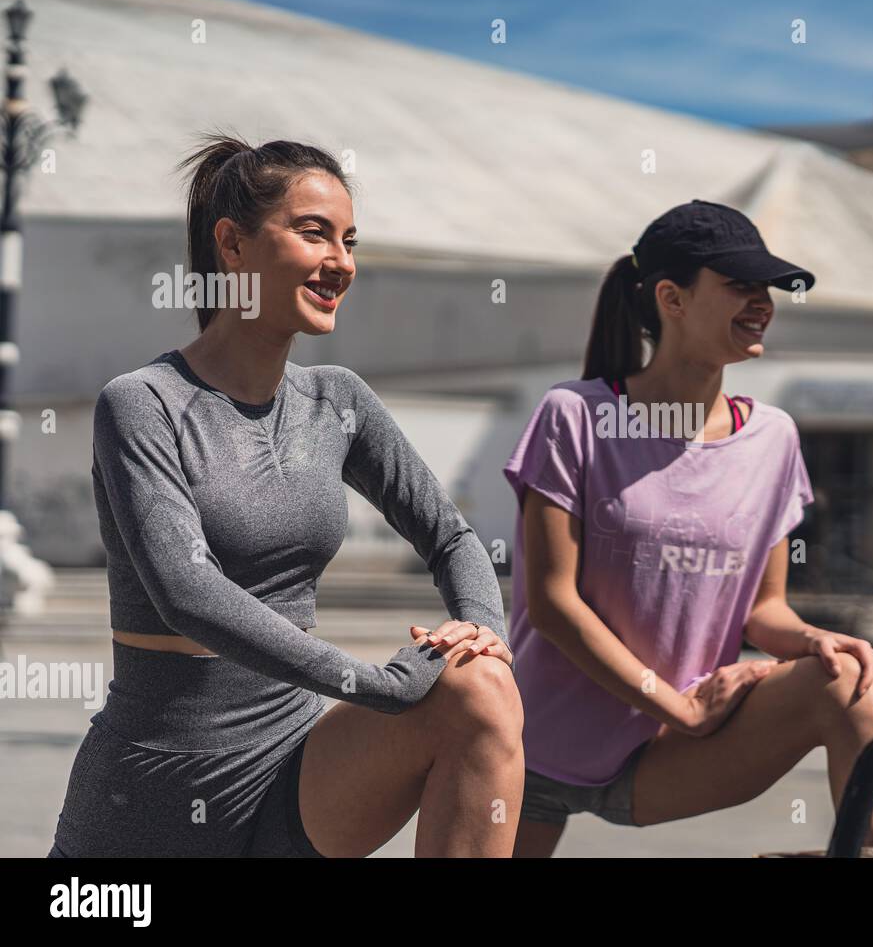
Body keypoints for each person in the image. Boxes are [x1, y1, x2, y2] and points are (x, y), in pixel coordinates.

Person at [48, 134, 522, 858]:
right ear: (232, 245)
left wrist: (482, 630)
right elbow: (187, 590)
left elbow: (451, 536)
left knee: (480, 689)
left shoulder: (339, 400)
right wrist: (366, 681)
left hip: (298, 777)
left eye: (350, 240)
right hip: (154, 795)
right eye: (314, 233)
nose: (342, 262)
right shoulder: (145, 403)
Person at [504, 199, 873, 857]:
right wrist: (680, 706)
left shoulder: (775, 438)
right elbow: (555, 604)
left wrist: (820, 638)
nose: (763, 302)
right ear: (672, 298)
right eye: (740, 285)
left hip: (670, 753)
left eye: (767, 289)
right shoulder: (575, 416)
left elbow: (766, 611)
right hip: (534, 748)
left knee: (846, 677)